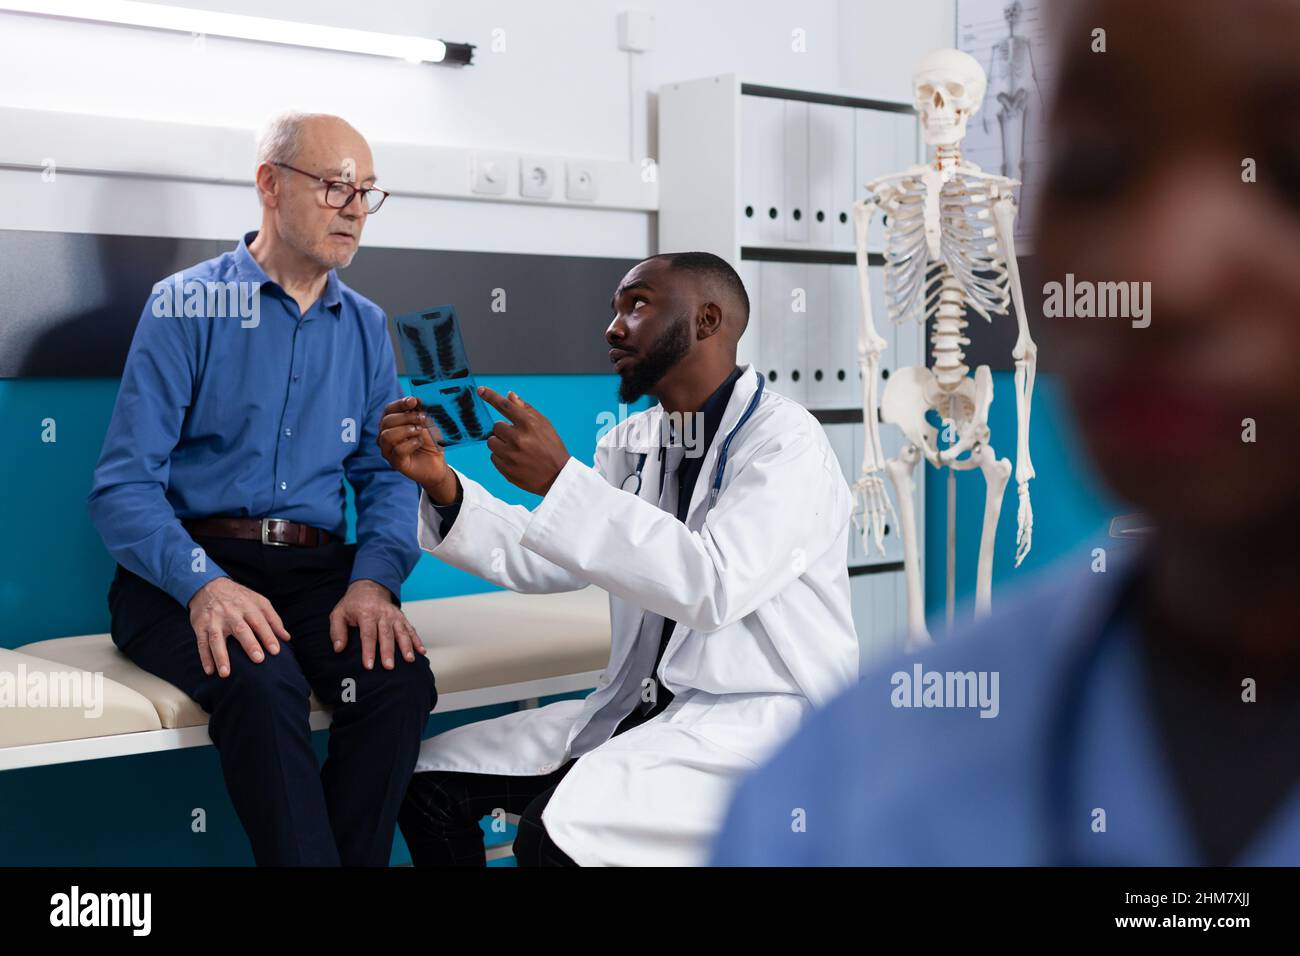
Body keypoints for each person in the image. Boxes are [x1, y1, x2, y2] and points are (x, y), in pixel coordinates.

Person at [710, 0, 1300, 866]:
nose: (1155, 275)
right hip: (912, 397)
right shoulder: (832, 791)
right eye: (1095, 163)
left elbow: (1019, 336)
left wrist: (1017, 457)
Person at [378, 252, 859, 866]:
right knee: (425, 787)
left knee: (554, 836)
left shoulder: (786, 444)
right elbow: (555, 557)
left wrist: (560, 481)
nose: (613, 327)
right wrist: (445, 487)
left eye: (637, 305)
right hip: (643, 703)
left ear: (707, 320)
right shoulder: (633, 441)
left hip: (756, 719)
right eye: (614, 309)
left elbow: (714, 586)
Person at [87, 112, 437, 866]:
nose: (354, 208)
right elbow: (123, 488)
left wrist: (375, 581)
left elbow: (383, 481)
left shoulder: (367, 327)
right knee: (261, 682)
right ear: (270, 186)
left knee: (396, 687)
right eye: (337, 185)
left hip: (317, 575)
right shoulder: (185, 304)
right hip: (183, 572)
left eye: (367, 192)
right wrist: (204, 585)